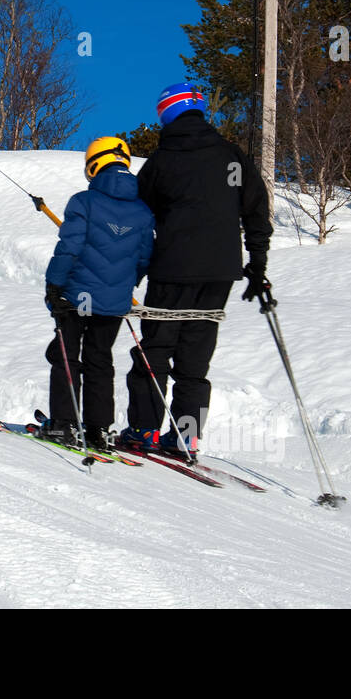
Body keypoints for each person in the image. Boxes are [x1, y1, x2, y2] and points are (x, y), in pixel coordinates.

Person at [119, 82, 272, 462]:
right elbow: (256, 208)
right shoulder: (231, 157)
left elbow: (139, 219)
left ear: (165, 115)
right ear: (199, 110)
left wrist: (126, 270)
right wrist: (257, 263)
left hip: (173, 268)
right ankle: (186, 435)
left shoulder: (160, 163)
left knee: (155, 349)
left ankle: (144, 428)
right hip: (220, 272)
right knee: (196, 355)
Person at [41, 137, 154, 451]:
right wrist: (124, 284)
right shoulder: (143, 211)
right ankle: (98, 429)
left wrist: (54, 285)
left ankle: (64, 424)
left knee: (65, 355)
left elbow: (70, 247)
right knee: (100, 360)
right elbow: (144, 258)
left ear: (93, 164)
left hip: (76, 295)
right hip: (114, 301)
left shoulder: (83, 202)